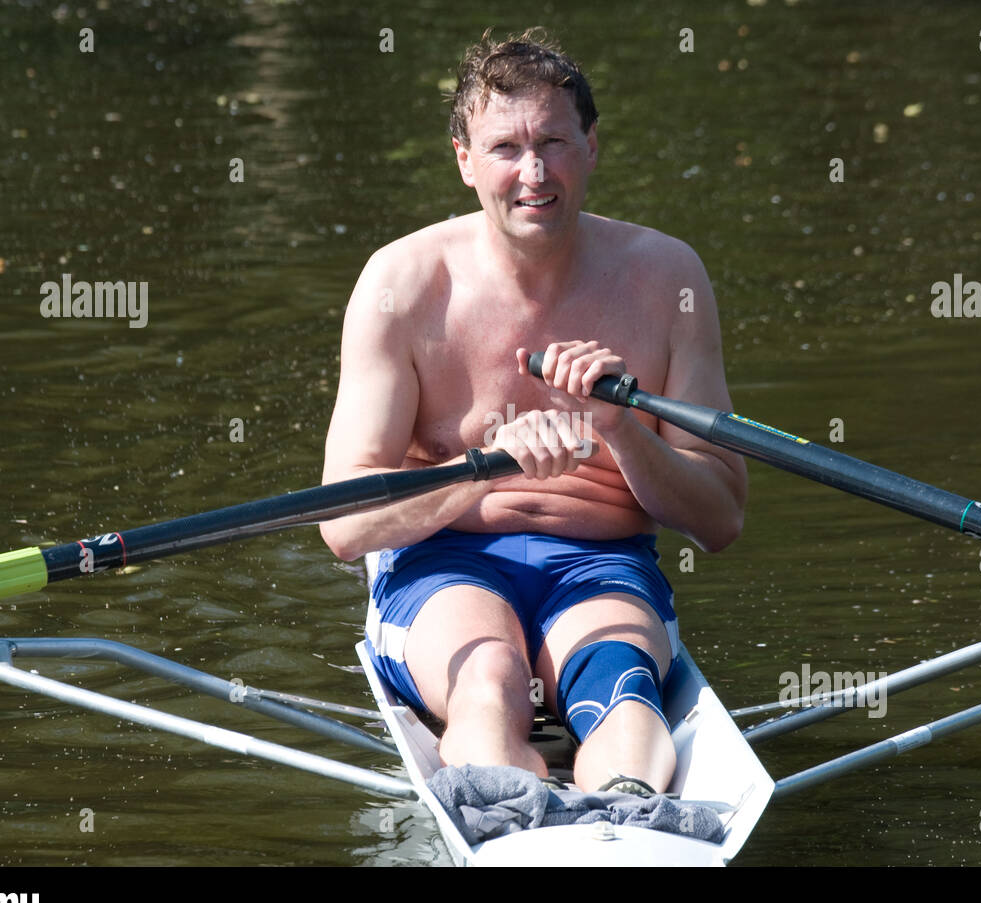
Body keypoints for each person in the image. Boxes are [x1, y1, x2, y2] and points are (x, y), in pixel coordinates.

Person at [319, 28, 745, 795]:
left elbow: (719, 520)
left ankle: (629, 813)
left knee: (621, 699)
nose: (534, 173)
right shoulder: (403, 285)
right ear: (464, 161)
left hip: (602, 565)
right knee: (489, 680)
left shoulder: (668, 278)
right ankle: (502, 808)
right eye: (506, 148)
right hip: (443, 562)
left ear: (591, 146)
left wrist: (620, 430)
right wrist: (485, 470)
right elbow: (346, 527)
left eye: (553, 141)